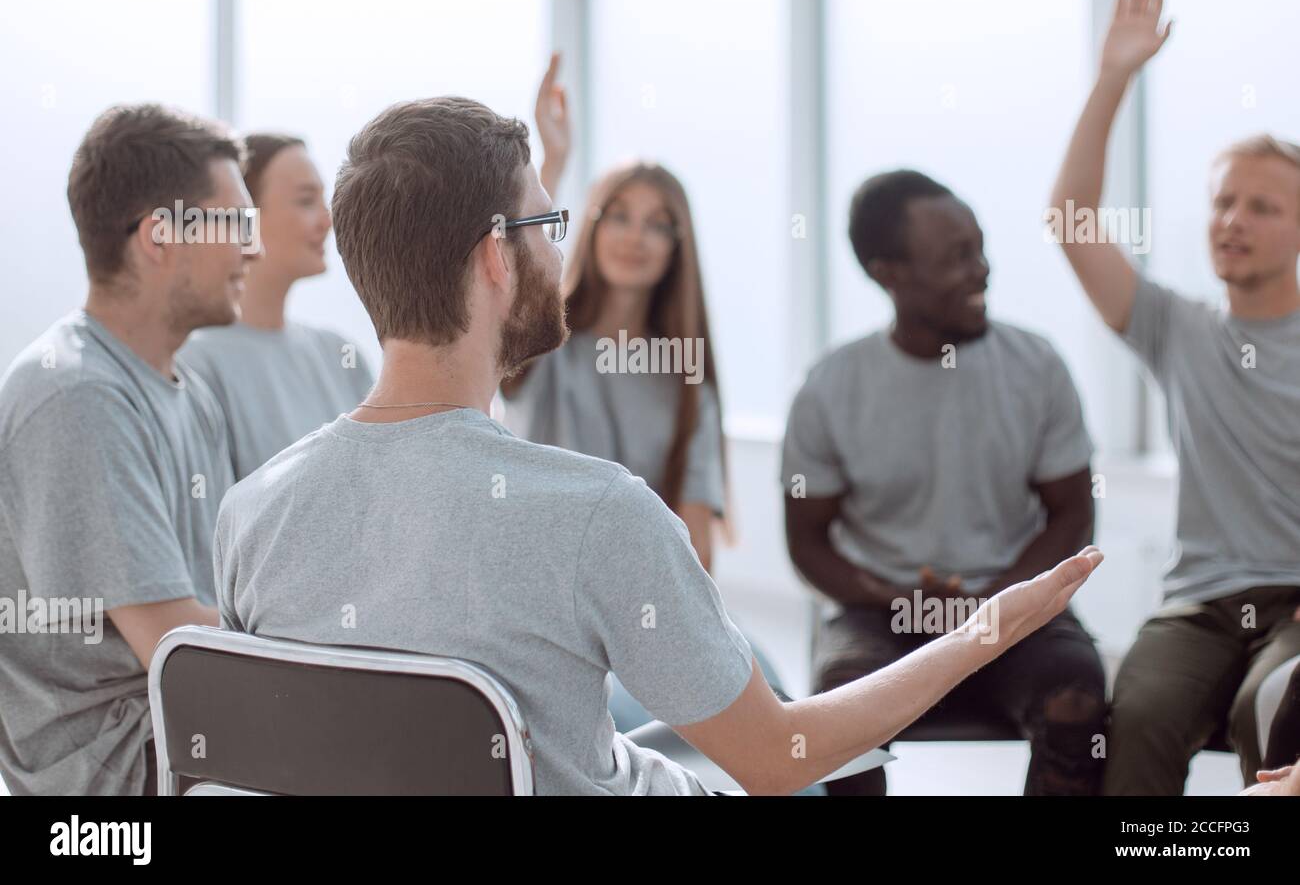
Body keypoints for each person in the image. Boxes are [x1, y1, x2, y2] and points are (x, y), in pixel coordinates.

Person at [213, 94, 1104, 795]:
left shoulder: (253, 513)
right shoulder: (599, 512)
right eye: (545, 227)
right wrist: (991, 629)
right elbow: (780, 756)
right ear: (495, 257)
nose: (560, 254)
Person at [1046, 0, 1300, 794]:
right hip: (1199, 604)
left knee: (1275, 710)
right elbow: (1072, 224)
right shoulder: (1181, 328)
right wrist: (1114, 75)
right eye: (1226, 201)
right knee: (1141, 717)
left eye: (1264, 207)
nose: (1235, 220)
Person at [783, 169, 1107, 795]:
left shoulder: (1037, 367)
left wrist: (995, 603)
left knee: (1076, 701)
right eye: (957, 257)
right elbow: (808, 542)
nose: (981, 270)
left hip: (1016, 599)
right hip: (881, 610)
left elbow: (1071, 517)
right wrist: (896, 596)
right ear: (888, 273)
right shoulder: (829, 389)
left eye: (980, 247)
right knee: (839, 711)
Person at [503, 59, 785, 733]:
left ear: (675, 247)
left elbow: (695, 557)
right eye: (619, 216)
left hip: (657, 618)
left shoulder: (690, 384)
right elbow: (513, 278)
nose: (635, 235)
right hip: (548, 616)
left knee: (775, 700)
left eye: (657, 223)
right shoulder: (545, 350)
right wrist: (553, 160)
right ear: (590, 226)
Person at [0, 103, 254, 794]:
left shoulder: (187, 391)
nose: (251, 250)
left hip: (186, 744)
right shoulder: (77, 395)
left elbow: (220, 602)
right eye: (236, 224)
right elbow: (180, 649)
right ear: (159, 235)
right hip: (115, 786)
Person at [179, 133, 374, 480]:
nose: (327, 220)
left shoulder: (340, 355)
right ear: (245, 218)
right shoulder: (196, 365)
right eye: (305, 201)